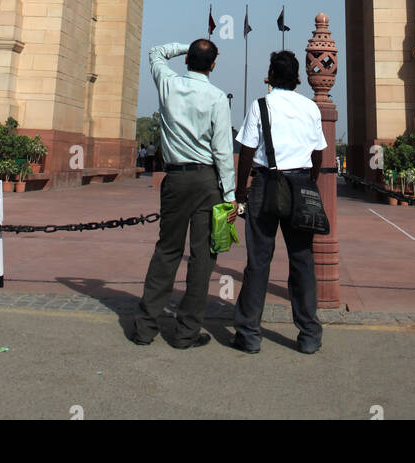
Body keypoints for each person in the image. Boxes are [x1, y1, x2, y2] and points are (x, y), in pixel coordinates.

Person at [131, 39, 236, 349]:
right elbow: (222, 151)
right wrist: (229, 196)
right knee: (203, 257)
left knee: (167, 251)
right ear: (213, 66)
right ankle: (186, 333)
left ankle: (144, 328)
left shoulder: (168, 83)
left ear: (187, 59)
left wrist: (183, 45)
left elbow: (155, 52)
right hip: (207, 182)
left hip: (175, 180)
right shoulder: (217, 97)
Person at [232, 49, 326, 355]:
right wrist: (308, 180)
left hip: (266, 185)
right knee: (302, 261)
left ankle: (248, 334)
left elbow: (246, 151)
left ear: (270, 77)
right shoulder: (310, 107)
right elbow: (318, 153)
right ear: (299, 79)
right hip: (300, 185)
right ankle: (309, 334)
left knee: (258, 261)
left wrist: (240, 192)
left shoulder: (261, 105)